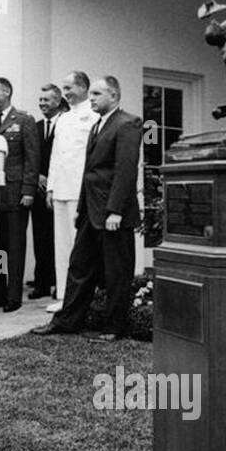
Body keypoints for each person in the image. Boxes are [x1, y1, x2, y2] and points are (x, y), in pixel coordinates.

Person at [33, 76, 143, 342]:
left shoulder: (129, 123)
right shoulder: (97, 125)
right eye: (90, 94)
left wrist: (115, 210)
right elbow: (89, 173)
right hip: (90, 211)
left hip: (112, 213)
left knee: (116, 273)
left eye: (96, 94)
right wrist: (81, 209)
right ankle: (68, 322)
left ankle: (114, 327)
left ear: (114, 96)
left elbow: (125, 170)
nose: (91, 99)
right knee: (78, 267)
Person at [0, 77, 41, 312]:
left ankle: (13, 295)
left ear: (7, 93)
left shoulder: (24, 120)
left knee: (15, 245)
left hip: (16, 192)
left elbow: (32, 158)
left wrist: (28, 190)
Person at [45, 71, 94, 312]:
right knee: (62, 245)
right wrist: (51, 187)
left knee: (80, 246)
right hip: (62, 188)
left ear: (83, 87)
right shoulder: (63, 118)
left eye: (69, 88)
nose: (65, 93)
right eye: (64, 89)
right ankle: (65, 296)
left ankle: (82, 299)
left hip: (80, 189)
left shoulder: (94, 115)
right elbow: (56, 154)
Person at [29, 84, 61, 300]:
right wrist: (38, 176)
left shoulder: (66, 125)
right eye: (40, 100)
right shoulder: (36, 127)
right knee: (40, 238)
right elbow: (29, 156)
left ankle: (60, 282)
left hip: (60, 190)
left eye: (46, 100)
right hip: (38, 191)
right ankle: (42, 282)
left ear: (57, 102)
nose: (42, 104)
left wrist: (53, 179)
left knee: (60, 239)